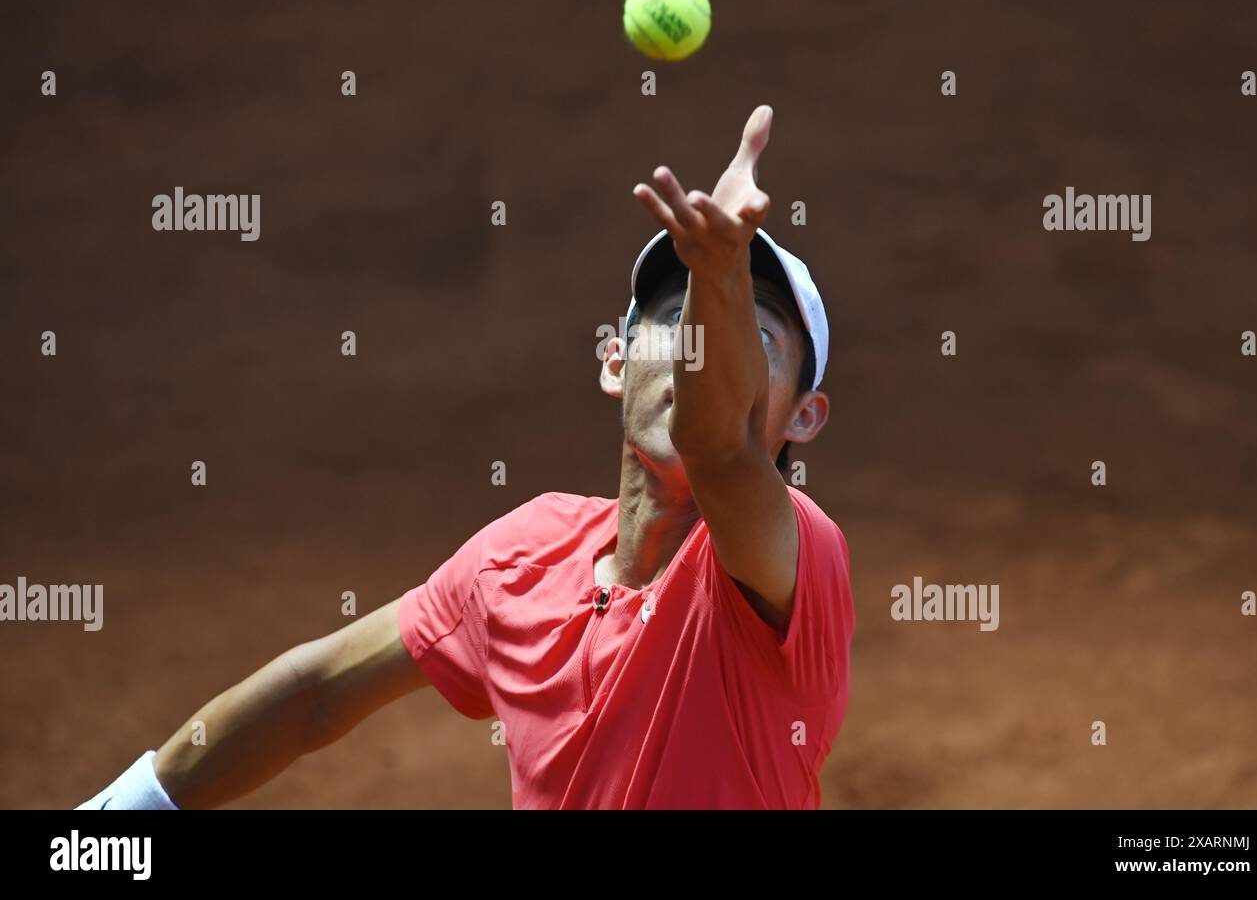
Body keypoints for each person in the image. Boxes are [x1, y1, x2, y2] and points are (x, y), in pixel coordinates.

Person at [77, 105, 855, 810]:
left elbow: (717, 445)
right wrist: (118, 818)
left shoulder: (792, 565)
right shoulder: (525, 556)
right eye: (676, 318)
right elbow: (316, 692)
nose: (696, 349)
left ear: (806, 418)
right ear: (615, 360)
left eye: (755, 338)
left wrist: (718, 276)